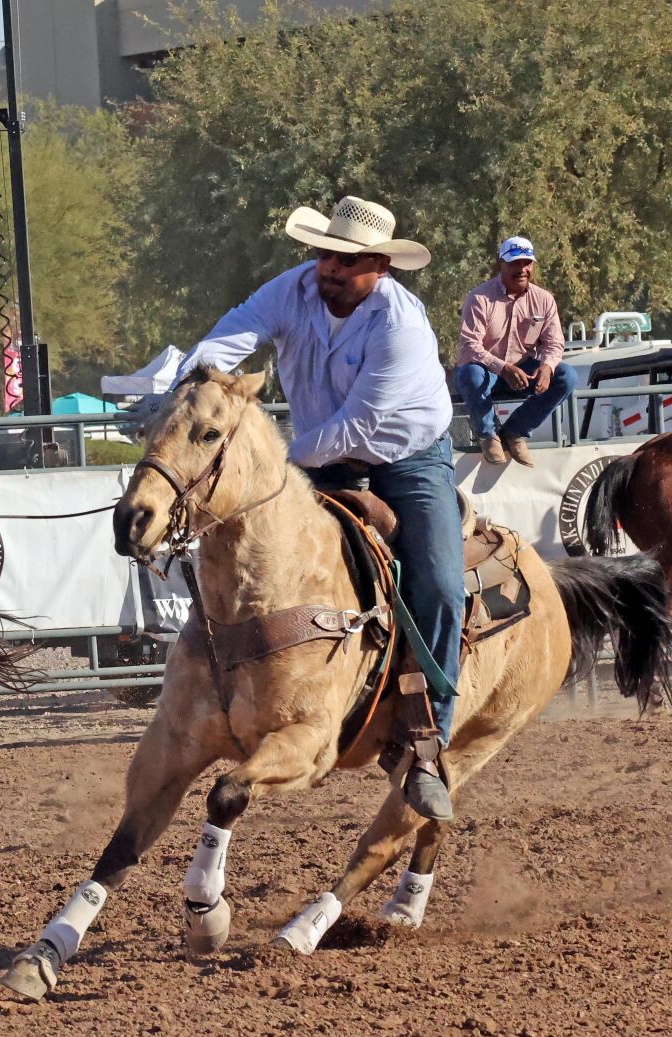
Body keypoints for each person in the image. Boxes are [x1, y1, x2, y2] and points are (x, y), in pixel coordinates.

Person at [173, 195, 459, 821]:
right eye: (327, 252)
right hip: (316, 451)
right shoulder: (294, 288)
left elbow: (358, 424)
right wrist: (194, 383)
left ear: (380, 266)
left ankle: (426, 741)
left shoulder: (400, 327)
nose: (330, 267)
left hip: (403, 457)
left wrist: (273, 466)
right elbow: (233, 335)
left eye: (348, 260)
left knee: (438, 580)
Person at [453, 236, 575, 467]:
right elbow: (470, 345)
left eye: (527, 263)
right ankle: (488, 434)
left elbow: (555, 343)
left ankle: (515, 431)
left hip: (521, 367)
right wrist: (503, 368)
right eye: (515, 263)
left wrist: (547, 367)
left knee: (567, 376)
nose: (522, 269)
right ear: (502, 264)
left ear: (533, 265)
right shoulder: (480, 298)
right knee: (470, 374)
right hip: (484, 369)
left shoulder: (544, 299)